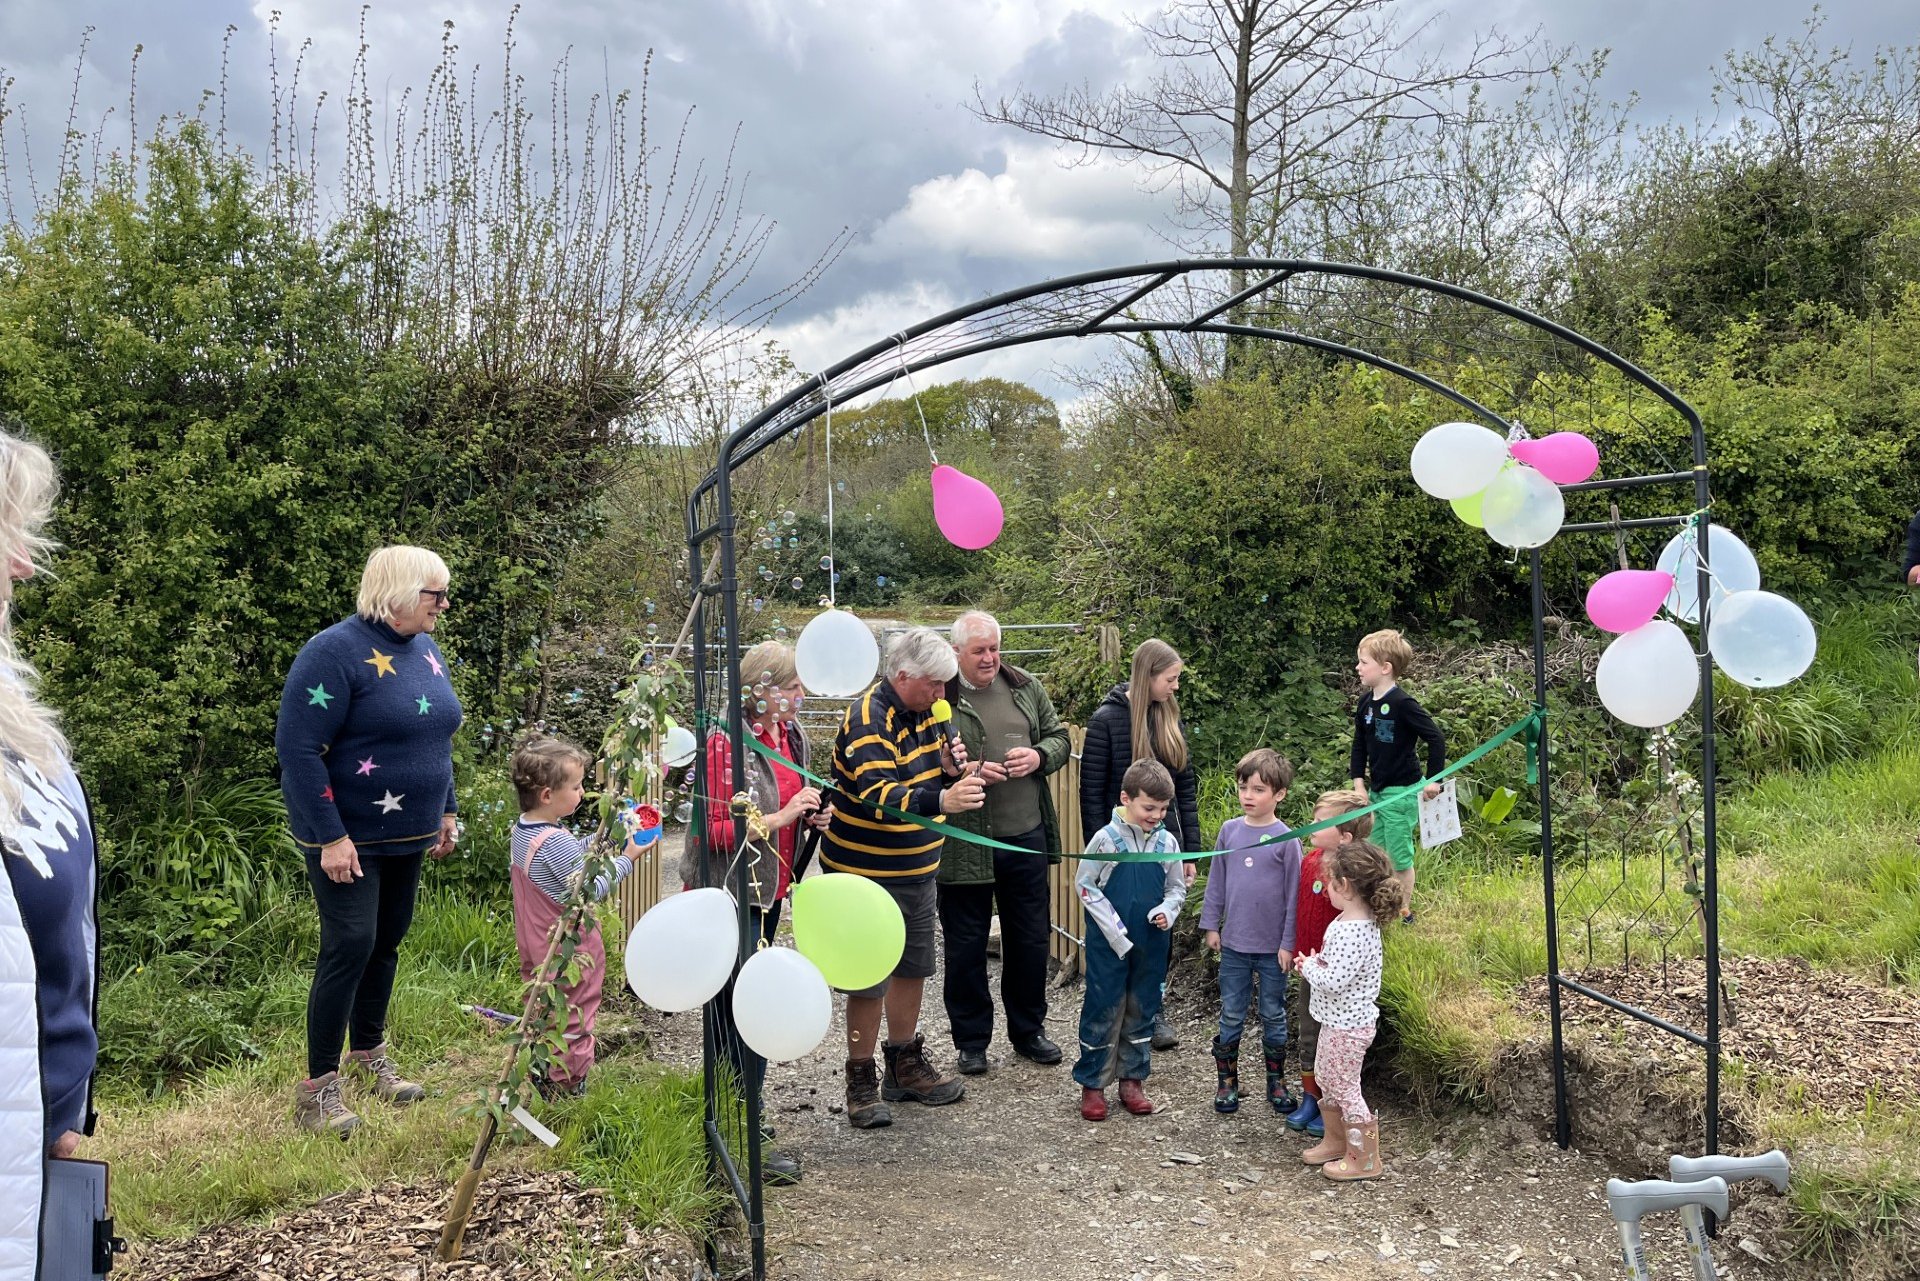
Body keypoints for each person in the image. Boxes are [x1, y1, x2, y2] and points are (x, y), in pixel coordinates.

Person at [277, 545, 464, 1136]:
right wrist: (331, 837)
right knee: (349, 945)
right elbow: (298, 751)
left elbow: (437, 734)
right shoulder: (333, 652)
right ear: (401, 593)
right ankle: (318, 1089)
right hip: (347, 837)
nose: (444, 605)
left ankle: (369, 1055)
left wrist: (447, 809)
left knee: (386, 942)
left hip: (409, 832)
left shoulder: (426, 649)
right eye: (436, 594)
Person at [0, 426, 101, 1254]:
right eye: (7, 536)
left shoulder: (21, 723)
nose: (24, 567)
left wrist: (59, 1100)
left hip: (33, 1148)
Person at [822, 627, 986, 1130]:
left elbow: (927, 777)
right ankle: (860, 1080)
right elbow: (881, 799)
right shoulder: (868, 718)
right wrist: (943, 800)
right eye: (934, 685)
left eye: (945, 686)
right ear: (903, 675)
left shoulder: (930, 714)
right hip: (866, 872)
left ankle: (904, 1064)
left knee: (913, 965)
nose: (942, 695)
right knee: (869, 977)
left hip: (917, 869)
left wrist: (949, 770)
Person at [683, 639, 828, 1182]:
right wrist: (785, 812)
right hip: (732, 892)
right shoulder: (725, 744)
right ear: (761, 690)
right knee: (738, 1011)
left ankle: (749, 1116)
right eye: (792, 688)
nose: (802, 696)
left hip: (772, 891)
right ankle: (738, 1129)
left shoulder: (791, 735)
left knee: (755, 1002)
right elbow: (712, 831)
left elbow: (797, 800)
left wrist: (813, 817)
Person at [936, 611, 1072, 1075]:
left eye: (995, 648)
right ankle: (972, 1041)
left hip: (1025, 835)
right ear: (956, 653)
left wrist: (1038, 755)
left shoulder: (1025, 685)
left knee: (1030, 940)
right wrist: (962, 773)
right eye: (980, 651)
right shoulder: (940, 696)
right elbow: (921, 766)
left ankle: (1029, 1030)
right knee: (966, 944)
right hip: (965, 839)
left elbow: (1058, 739)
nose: (991, 658)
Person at [510, 733, 655, 1100]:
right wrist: (628, 859)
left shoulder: (527, 828)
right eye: (575, 787)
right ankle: (569, 1085)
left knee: (547, 1005)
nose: (581, 793)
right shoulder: (554, 840)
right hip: (567, 945)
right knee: (575, 1009)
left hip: (536, 939)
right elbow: (589, 888)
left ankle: (544, 1070)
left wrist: (600, 840)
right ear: (547, 795)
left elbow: (571, 861)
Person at [1080, 639, 1202, 1050]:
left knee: (1156, 928)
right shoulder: (1107, 721)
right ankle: (1111, 1012)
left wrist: (1189, 850)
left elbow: (1185, 790)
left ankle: (1153, 1010)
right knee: (1118, 932)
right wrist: (1102, 854)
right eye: (1171, 679)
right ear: (1147, 675)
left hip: (1162, 850)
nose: (1176, 687)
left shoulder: (1171, 719)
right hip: (1117, 854)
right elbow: (1092, 794)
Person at [1072, 759, 1185, 1122]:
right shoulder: (1106, 839)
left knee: (1143, 1005)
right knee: (1104, 1006)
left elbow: (1176, 889)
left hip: (1152, 943)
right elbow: (1085, 885)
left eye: (1163, 808)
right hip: (1109, 944)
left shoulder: (1167, 841)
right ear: (1126, 799)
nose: (1156, 815)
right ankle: (1093, 1084)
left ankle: (1132, 1080)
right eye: (1149, 807)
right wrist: (1115, 930)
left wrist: (1169, 910)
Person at [1294, 837, 1403, 1181]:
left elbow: (1335, 980)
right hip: (1335, 1020)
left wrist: (1308, 967)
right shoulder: (1348, 922)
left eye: (1330, 881)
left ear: (1344, 885)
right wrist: (1318, 962)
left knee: (1345, 1088)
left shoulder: (1354, 930)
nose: (1326, 887)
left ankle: (1365, 1158)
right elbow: (1338, 969)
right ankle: (1335, 1141)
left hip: (1349, 1025)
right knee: (1327, 1078)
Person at [1198, 748, 1301, 1116]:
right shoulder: (1229, 831)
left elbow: (1294, 898)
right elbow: (1218, 882)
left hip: (1274, 950)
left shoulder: (1288, 839)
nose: (1248, 796)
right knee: (1232, 1012)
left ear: (1279, 794)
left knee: (1273, 1013)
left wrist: (1289, 944)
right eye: (1244, 787)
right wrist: (1212, 924)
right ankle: (1227, 1082)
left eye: (1258, 789)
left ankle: (1277, 1081)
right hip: (1236, 945)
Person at [1283, 790, 1374, 1139]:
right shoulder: (1309, 861)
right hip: (1309, 966)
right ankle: (1311, 1098)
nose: (1313, 825)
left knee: (1334, 1038)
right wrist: (1291, 947)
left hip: (1341, 975)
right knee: (1308, 1032)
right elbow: (1297, 906)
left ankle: (1335, 1105)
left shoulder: (1355, 875)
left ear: (1345, 836)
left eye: (1322, 821)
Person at [1349, 628, 1444, 926]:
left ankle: (1404, 912)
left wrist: (1433, 780)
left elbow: (1436, 738)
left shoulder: (1403, 704)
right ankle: (1378, 907)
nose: (1358, 668)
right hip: (1375, 793)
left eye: (1363, 662)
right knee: (1375, 853)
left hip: (1401, 793)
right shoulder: (1366, 703)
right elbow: (1359, 744)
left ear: (1385, 667)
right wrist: (1359, 785)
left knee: (1399, 857)